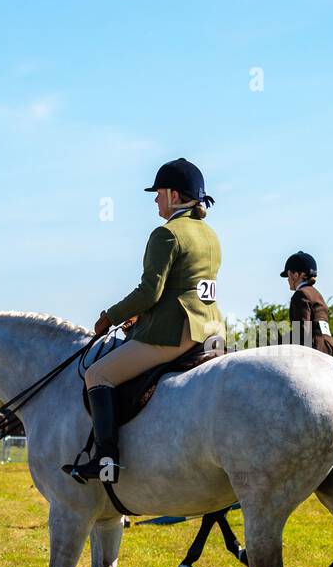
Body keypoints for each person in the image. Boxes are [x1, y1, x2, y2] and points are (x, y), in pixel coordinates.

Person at [68, 158, 223, 484]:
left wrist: (111, 316)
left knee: (97, 374)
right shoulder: (209, 235)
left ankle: (105, 459)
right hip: (211, 331)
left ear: (176, 196)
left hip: (174, 334)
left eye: (159, 193)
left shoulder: (166, 234)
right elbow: (187, 289)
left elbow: (150, 292)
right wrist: (141, 316)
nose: (155, 199)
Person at [280, 251, 333, 360]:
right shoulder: (316, 294)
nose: (287, 279)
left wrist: (277, 341)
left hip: (315, 351)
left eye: (288, 275)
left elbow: (302, 332)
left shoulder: (301, 294)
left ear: (297, 275)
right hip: (332, 350)